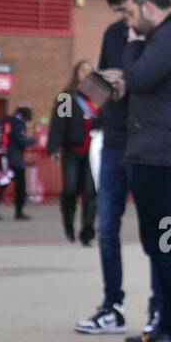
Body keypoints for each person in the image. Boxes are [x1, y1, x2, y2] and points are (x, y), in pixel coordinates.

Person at [102, 0, 171, 342]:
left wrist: (134, 45)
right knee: (166, 247)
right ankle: (168, 326)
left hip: (163, 159)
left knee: (168, 248)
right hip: (158, 157)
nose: (127, 23)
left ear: (148, 7)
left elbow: (140, 77)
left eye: (129, 13)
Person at [75, 0, 144, 336]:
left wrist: (128, 84)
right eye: (117, 12)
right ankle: (112, 305)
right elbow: (97, 90)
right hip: (115, 140)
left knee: (162, 232)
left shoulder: (167, 36)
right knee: (106, 227)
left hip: (150, 145)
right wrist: (100, 85)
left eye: (125, 10)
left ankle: (163, 308)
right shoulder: (112, 34)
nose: (123, 18)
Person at [47, 60, 98, 247]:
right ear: (76, 74)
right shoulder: (67, 97)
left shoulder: (99, 97)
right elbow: (58, 124)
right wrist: (53, 147)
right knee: (70, 190)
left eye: (90, 71)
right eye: (83, 70)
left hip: (93, 153)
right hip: (72, 152)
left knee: (90, 193)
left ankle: (87, 232)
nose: (87, 73)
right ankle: (68, 223)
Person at [2, 105, 35, 220]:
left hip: (6, 157)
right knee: (20, 186)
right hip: (15, 159)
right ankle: (19, 212)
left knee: (3, 182)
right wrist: (34, 140)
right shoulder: (18, 123)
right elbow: (20, 140)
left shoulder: (10, 120)